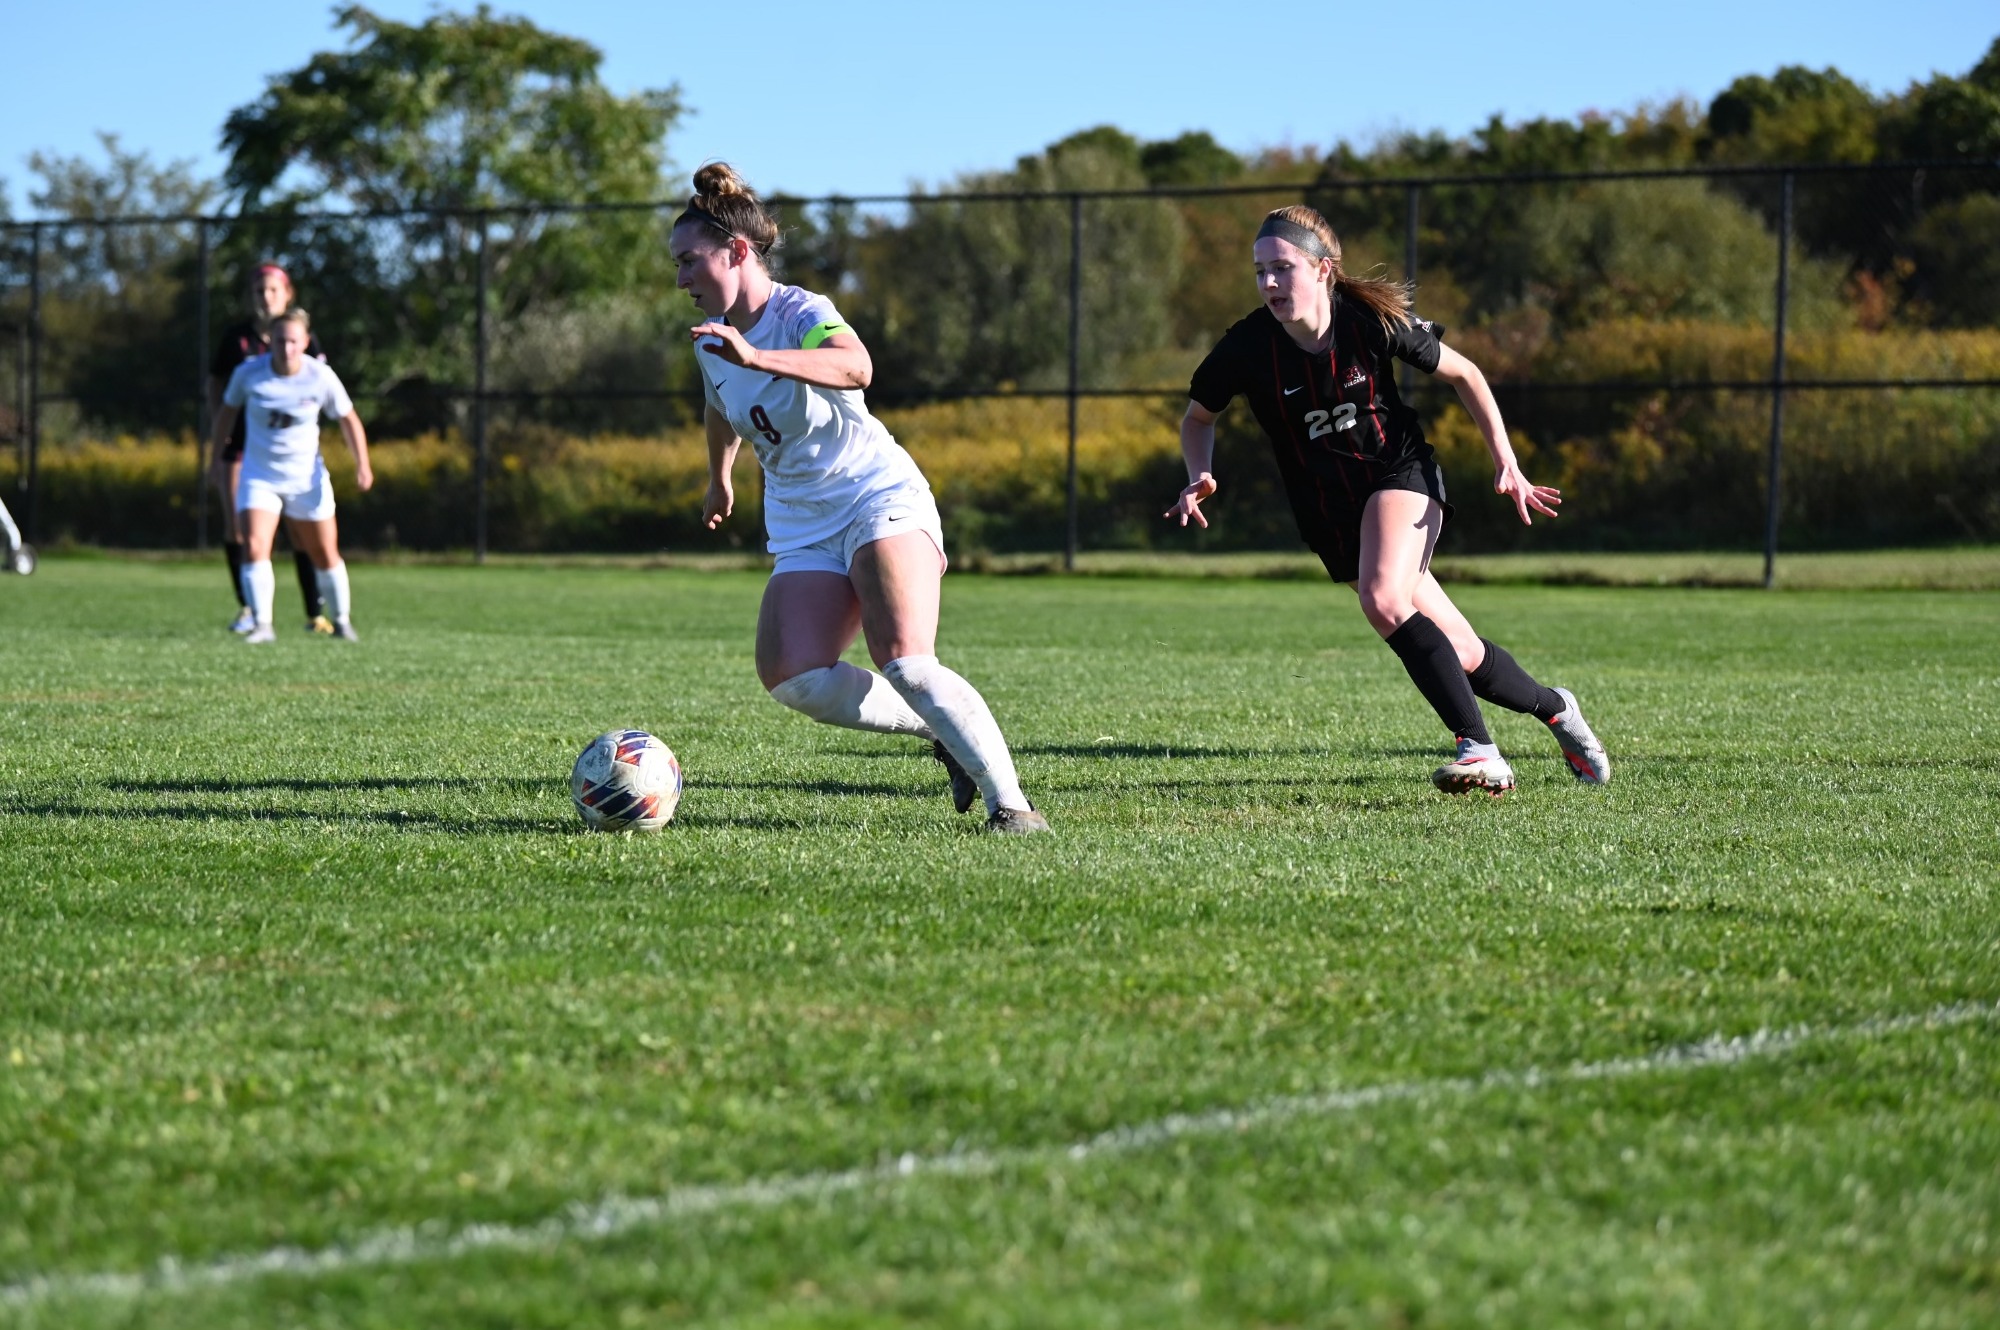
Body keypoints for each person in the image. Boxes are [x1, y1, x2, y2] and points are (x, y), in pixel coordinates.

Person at [1166, 205, 1610, 795]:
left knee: (1382, 598)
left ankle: (1479, 749)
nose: (1269, 282)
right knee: (1462, 653)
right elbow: (1198, 418)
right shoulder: (1246, 346)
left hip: (1400, 474)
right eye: (1259, 271)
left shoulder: (1369, 321)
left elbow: (1467, 375)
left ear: (1323, 269)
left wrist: (1506, 460)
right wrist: (1199, 473)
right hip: (1329, 512)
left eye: (1282, 268)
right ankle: (1558, 709)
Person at [673, 162, 1047, 833]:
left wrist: (756, 356)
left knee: (905, 660)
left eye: (689, 261)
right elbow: (717, 405)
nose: (680, 279)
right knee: (792, 675)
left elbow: (856, 365)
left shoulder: (801, 312)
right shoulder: (713, 339)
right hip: (801, 519)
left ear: (736, 252)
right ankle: (942, 732)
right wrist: (719, 475)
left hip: (875, 496)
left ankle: (1012, 808)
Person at [210, 307, 372, 644]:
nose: (286, 348)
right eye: (280, 341)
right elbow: (226, 414)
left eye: (294, 341)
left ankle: (342, 622)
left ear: (305, 341)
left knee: (324, 552)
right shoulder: (248, 373)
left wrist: (363, 464)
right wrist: (215, 458)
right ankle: (262, 625)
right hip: (260, 476)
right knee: (254, 545)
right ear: (270, 341)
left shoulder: (320, 376)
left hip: (305, 479)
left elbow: (348, 419)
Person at [208, 264, 335, 634]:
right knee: (240, 529)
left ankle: (315, 613)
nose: (265, 297)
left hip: (289, 453)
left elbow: (322, 388)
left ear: (287, 294)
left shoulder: (303, 338)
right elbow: (215, 384)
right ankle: (250, 609)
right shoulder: (237, 339)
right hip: (242, 446)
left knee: (301, 530)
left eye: (272, 290)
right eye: (259, 291)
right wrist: (220, 425)